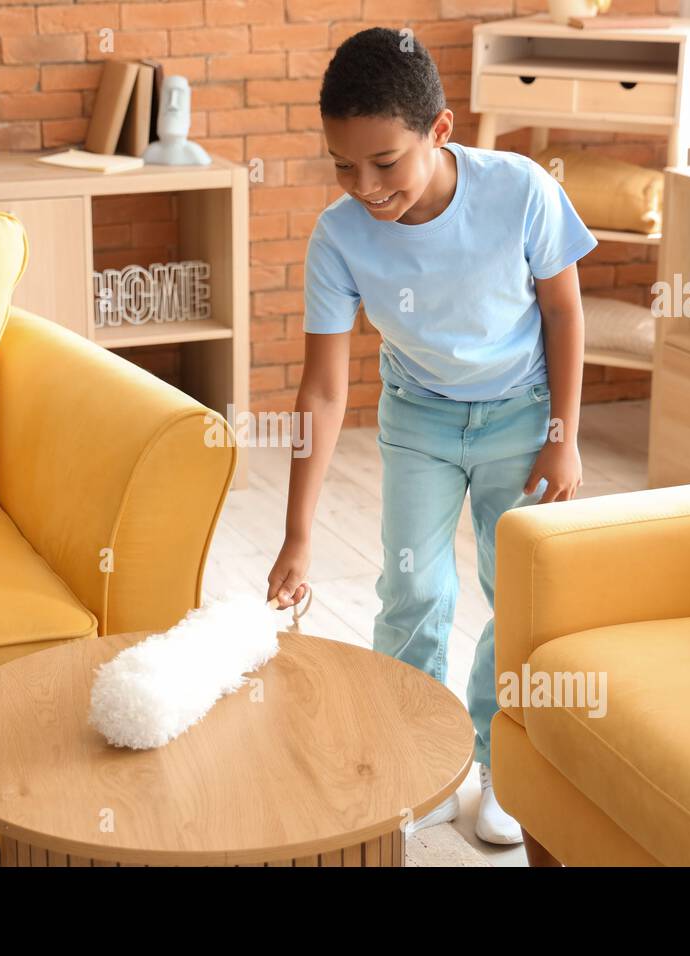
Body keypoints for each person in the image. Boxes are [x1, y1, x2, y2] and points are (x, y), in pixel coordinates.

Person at [266, 27, 594, 845]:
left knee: (512, 593)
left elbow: (563, 310)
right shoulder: (338, 237)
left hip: (522, 413)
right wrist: (299, 535)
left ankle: (493, 764)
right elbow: (324, 387)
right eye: (344, 166)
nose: (366, 187)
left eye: (386, 164)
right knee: (413, 592)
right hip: (418, 419)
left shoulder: (519, 190)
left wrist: (563, 435)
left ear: (441, 131)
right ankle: (412, 755)